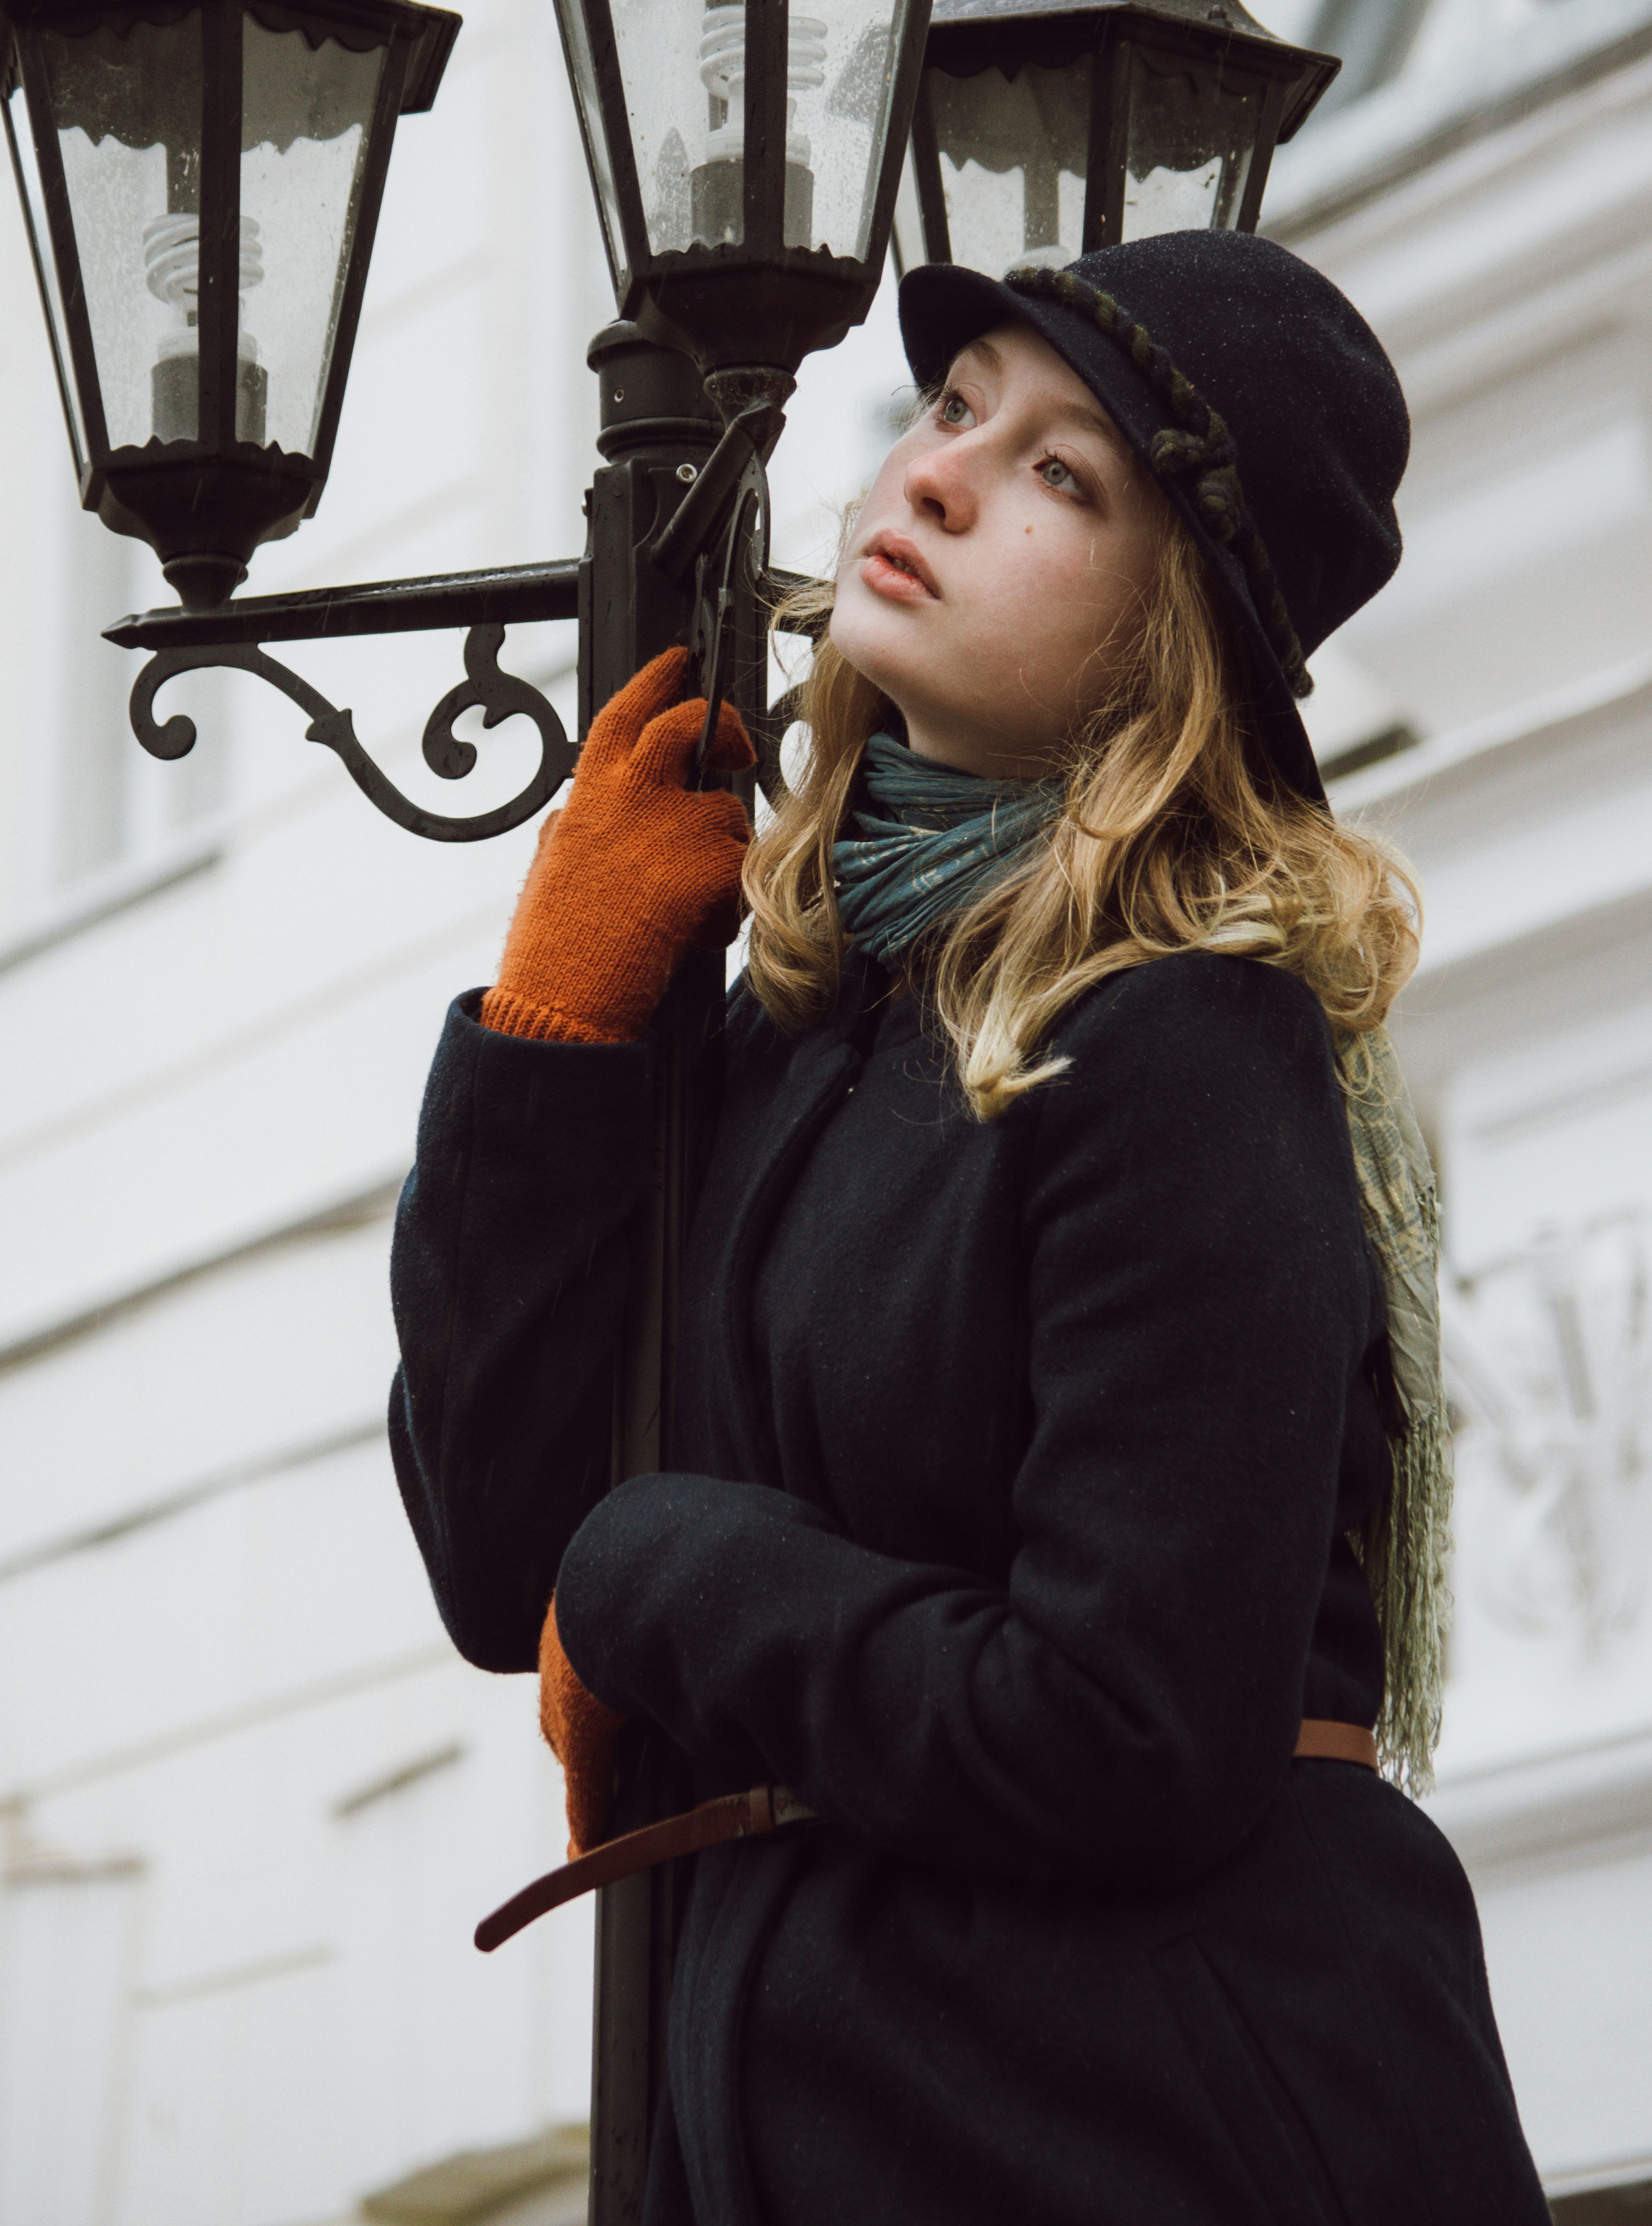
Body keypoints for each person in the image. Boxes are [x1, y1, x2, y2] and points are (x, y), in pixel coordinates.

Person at [389, 231, 1549, 2224]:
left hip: (1150, 2123)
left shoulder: (1182, 1038)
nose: (935, 477)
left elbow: (1124, 1737)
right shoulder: (783, 1037)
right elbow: (512, 1570)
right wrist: (560, 1031)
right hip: (795, 2112)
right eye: (952, 411)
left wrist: (678, 1570)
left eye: (1060, 476)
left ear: (1172, 635)